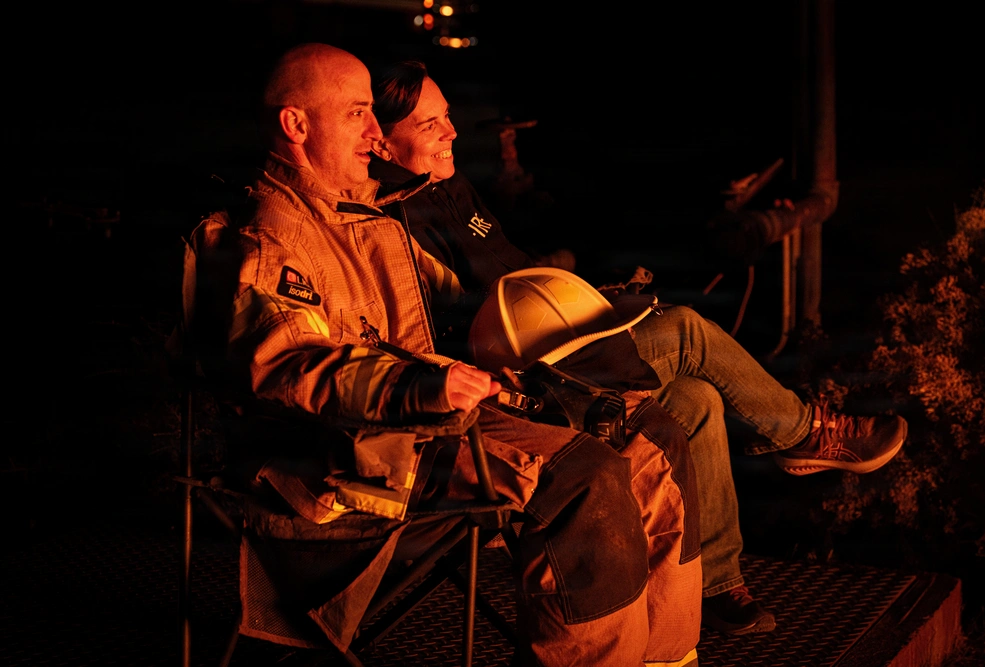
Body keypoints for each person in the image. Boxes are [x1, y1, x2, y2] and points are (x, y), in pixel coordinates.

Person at [190, 42, 705, 666]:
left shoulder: (365, 214)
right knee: (584, 480)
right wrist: (423, 389)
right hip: (352, 457)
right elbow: (285, 365)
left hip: (428, 423)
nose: (378, 134)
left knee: (654, 437)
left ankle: (667, 659)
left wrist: (566, 319)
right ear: (296, 124)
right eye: (358, 113)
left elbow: (467, 303)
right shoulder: (270, 237)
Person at [367, 60, 909, 636]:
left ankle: (718, 581)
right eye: (431, 125)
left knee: (697, 399)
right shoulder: (393, 222)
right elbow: (465, 325)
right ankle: (804, 434)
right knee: (686, 329)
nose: (452, 132)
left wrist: (590, 298)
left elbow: (514, 272)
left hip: (557, 342)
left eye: (448, 116)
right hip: (523, 381)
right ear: (380, 138)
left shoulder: (448, 186)